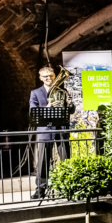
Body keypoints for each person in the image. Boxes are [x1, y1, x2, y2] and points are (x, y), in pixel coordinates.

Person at [30, 66, 72, 198]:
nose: (49, 78)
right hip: (45, 131)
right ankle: (40, 189)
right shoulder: (35, 93)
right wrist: (47, 107)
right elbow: (33, 111)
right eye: (46, 76)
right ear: (41, 78)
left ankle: (69, 187)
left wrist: (70, 105)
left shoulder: (63, 91)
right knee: (43, 161)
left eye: (51, 76)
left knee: (66, 160)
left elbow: (70, 111)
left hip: (60, 129)